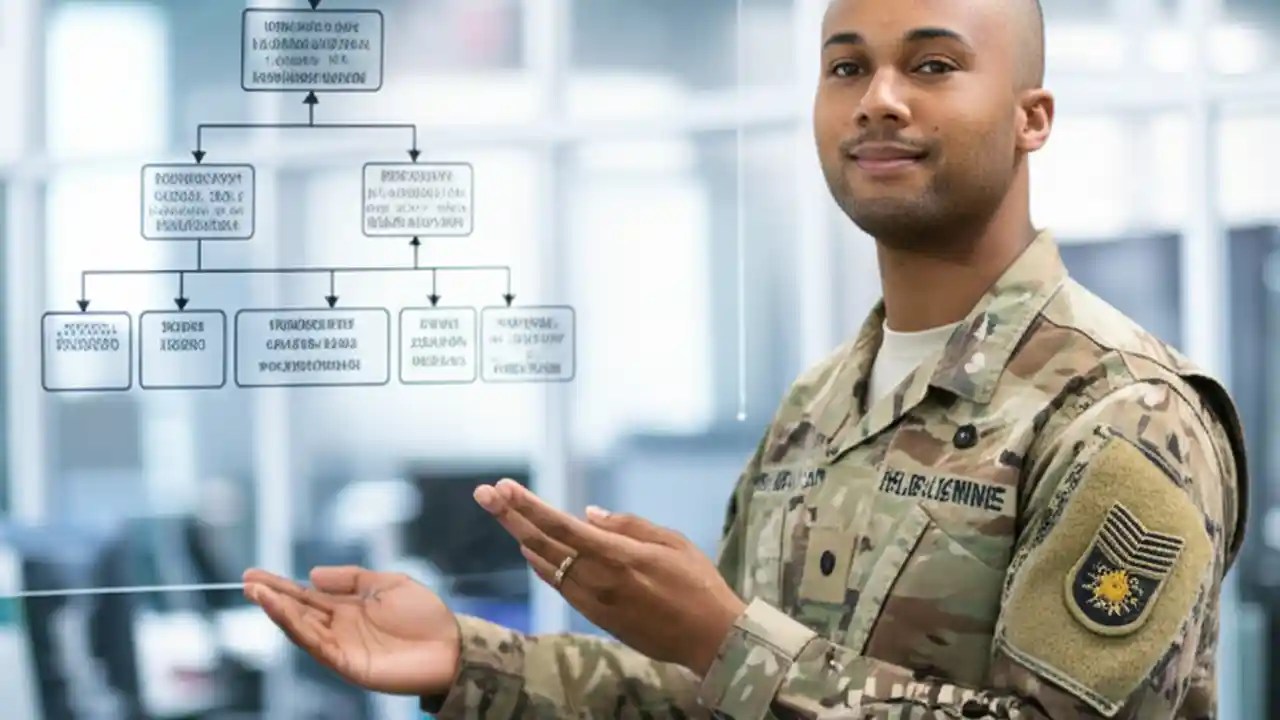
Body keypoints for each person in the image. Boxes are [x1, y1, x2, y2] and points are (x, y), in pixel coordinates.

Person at [242, 0, 1249, 716]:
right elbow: (716, 697)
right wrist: (466, 659)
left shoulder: (1121, 411)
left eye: (932, 65)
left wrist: (726, 640)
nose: (878, 101)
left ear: (1031, 117)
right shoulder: (819, 403)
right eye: (846, 67)